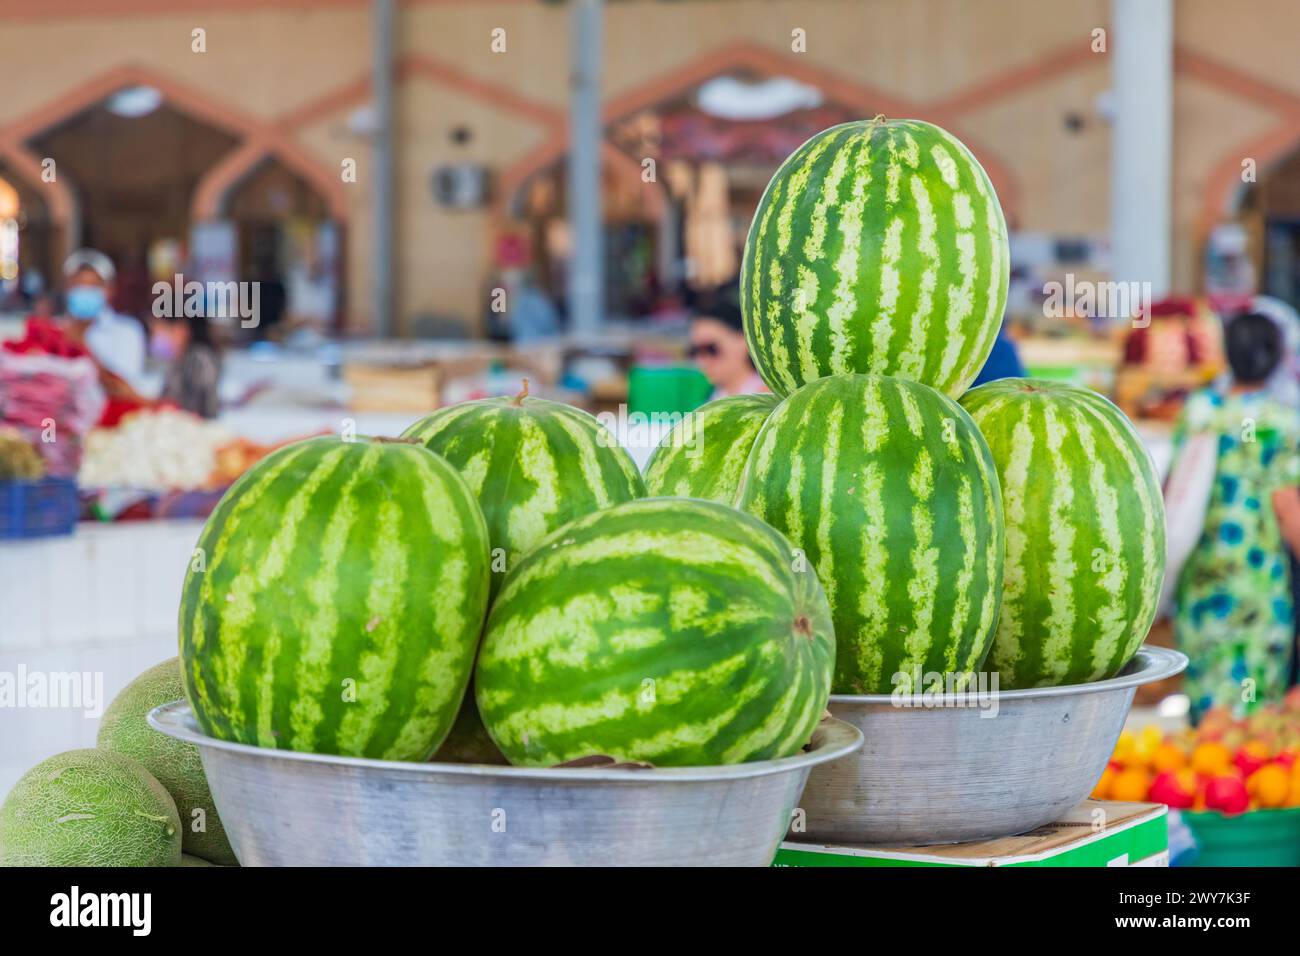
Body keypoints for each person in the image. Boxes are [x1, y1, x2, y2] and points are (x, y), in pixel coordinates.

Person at [1169, 312, 1300, 722]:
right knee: (1254, 711)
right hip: (1257, 585)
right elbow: (1286, 505)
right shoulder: (1282, 423)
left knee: (1206, 701)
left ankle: (1201, 777)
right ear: (1278, 357)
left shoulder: (1199, 411)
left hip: (1201, 581)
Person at [60, 248, 147, 391]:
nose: (85, 291)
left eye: (94, 285)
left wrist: (80, 344)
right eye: (78, 284)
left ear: (110, 290)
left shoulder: (128, 332)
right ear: (67, 288)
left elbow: (126, 388)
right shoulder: (54, 329)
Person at [688, 297, 766, 398]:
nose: (701, 360)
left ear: (744, 341)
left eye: (711, 349)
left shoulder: (769, 399)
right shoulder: (712, 397)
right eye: (695, 351)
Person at [152, 312, 222, 419]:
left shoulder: (199, 358)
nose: (162, 336)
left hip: (191, 426)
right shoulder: (181, 357)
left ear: (183, 329)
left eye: (167, 330)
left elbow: (205, 405)